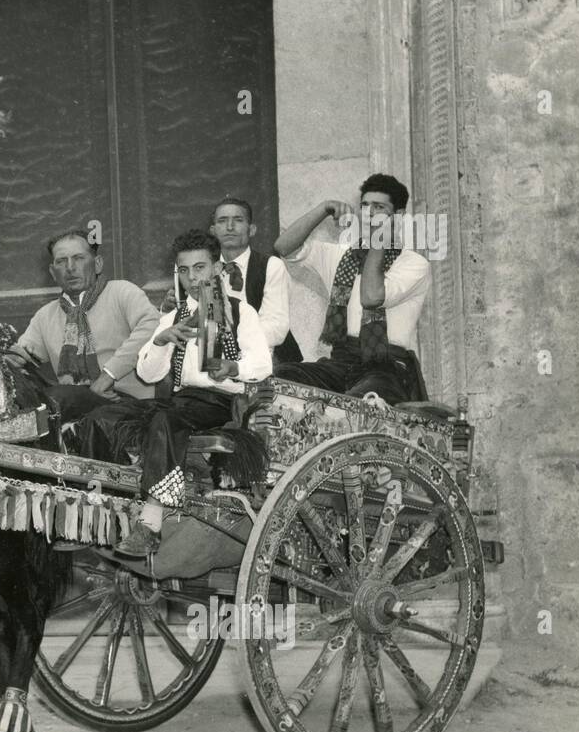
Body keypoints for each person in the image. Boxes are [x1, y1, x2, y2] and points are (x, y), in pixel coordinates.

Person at [92, 230, 272, 558]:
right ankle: (99, 512)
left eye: (200, 268)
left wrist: (232, 368)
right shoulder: (172, 317)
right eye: (184, 270)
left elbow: (261, 364)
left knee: (165, 417)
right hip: (180, 400)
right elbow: (148, 373)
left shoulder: (239, 311)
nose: (192, 278)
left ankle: (151, 521)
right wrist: (162, 341)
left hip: (221, 402)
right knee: (104, 416)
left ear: (218, 268)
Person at [272, 173, 430, 404]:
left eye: (379, 207)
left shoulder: (414, 263)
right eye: (365, 205)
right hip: (341, 361)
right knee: (283, 378)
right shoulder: (342, 255)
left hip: (386, 368)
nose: (369, 214)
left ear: (398, 216)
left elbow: (372, 297)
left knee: (359, 401)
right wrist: (322, 209)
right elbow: (283, 247)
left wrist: (380, 242)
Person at [10, 228, 159, 424]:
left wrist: (107, 377)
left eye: (79, 258)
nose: (70, 267)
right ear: (53, 272)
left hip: (126, 402)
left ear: (97, 264)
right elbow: (22, 356)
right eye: (61, 261)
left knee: (54, 400)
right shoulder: (45, 315)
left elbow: (153, 326)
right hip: (73, 402)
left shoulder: (122, 292)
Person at [209, 196, 302, 366]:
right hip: (218, 358)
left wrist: (231, 347)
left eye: (238, 220)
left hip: (268, 357)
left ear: (251, 229)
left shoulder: (271, 266)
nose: (230, 227)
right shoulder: (206, 268)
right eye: (222, 221)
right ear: (213, 230)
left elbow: (276, 326)